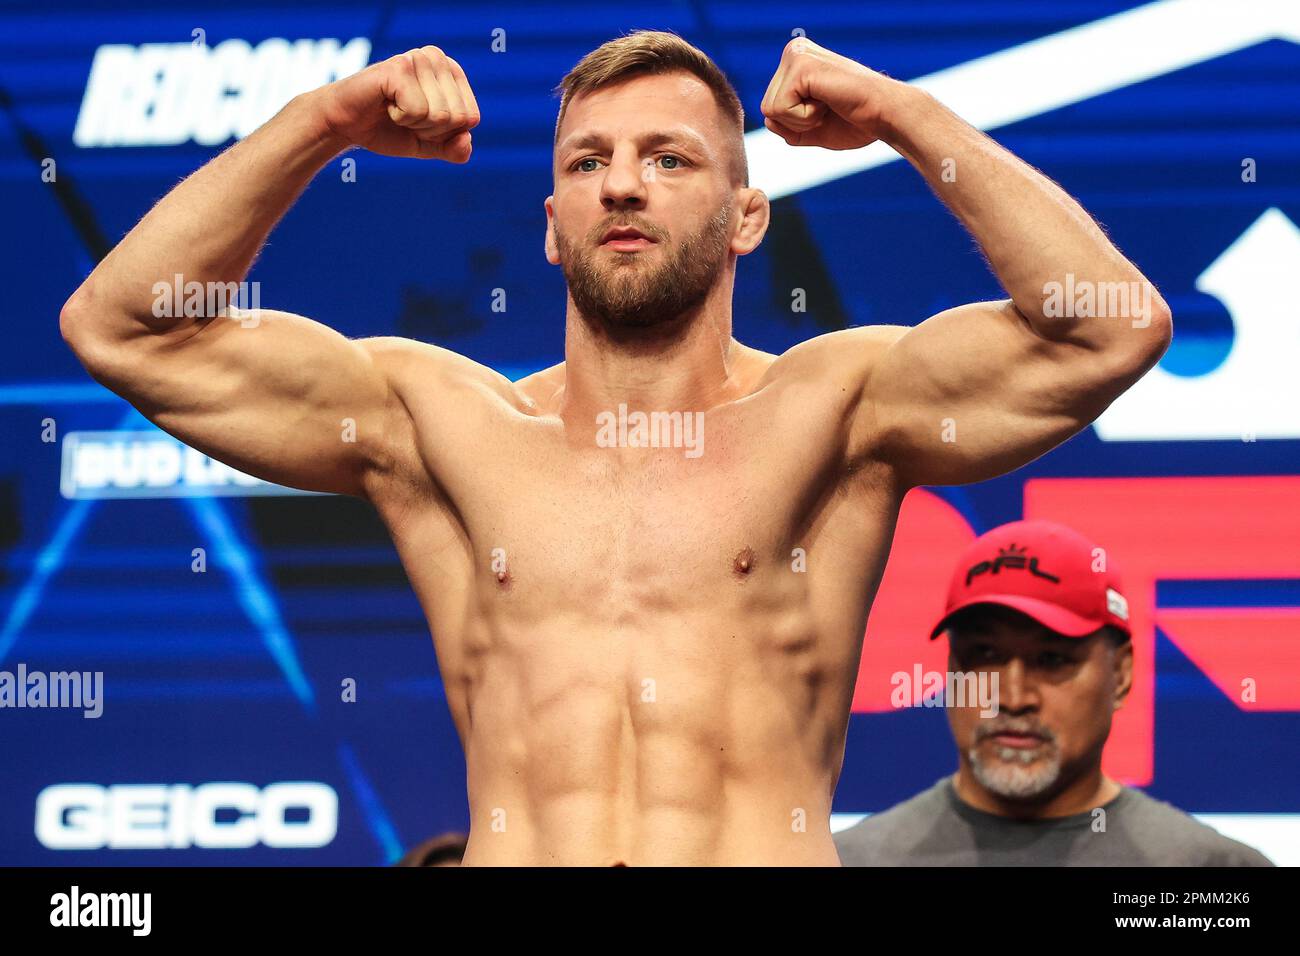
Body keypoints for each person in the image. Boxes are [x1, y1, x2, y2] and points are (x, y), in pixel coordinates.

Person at [59, 30, 1172, 865]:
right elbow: (123, 326)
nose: (624, 182)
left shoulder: (838, 408)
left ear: (746, 217)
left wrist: (899, 114)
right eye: (587, 161)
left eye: (670, 159)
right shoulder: (438, 426)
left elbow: (1109, 328)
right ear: (550, 223)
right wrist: (323, 121)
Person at [835, 519, 1274, 866]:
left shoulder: (1213, 876)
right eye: (984, 655)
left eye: (1052, 660)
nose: (1011, 696)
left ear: (1120, 674)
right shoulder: (846, 863)